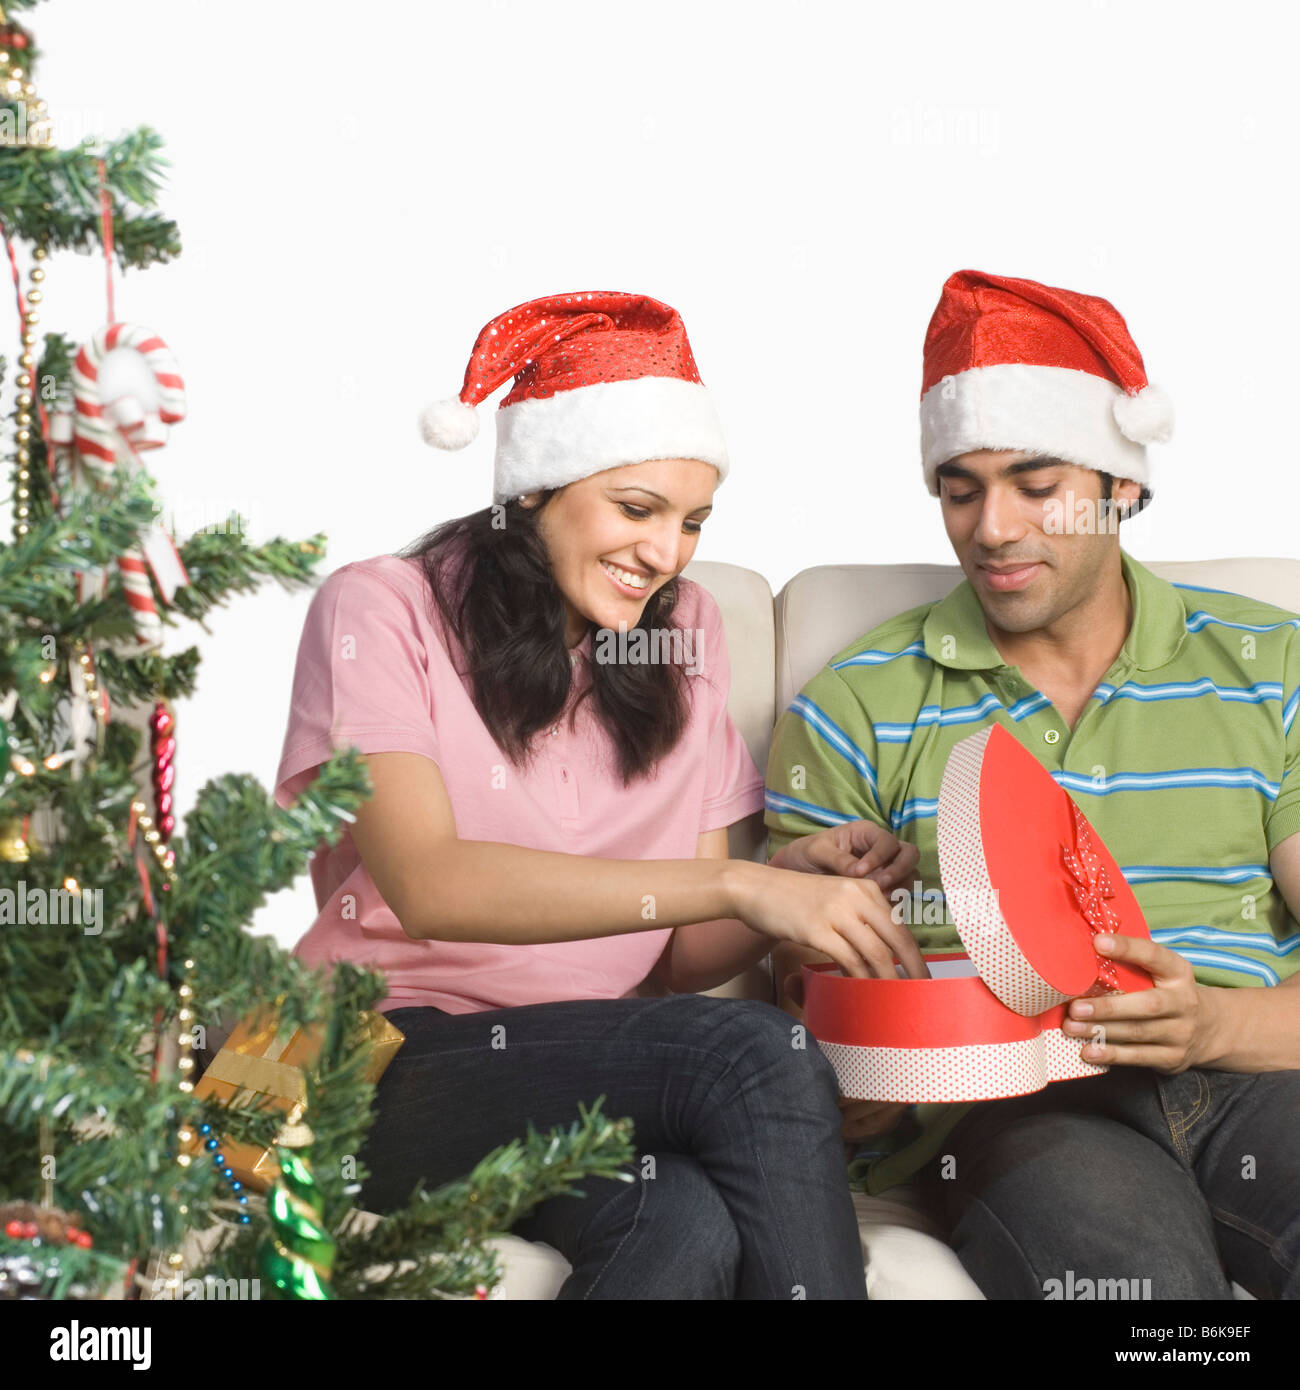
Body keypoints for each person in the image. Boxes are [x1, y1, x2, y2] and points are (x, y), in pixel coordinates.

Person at [272, 291, 924, 1301]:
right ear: (535, 488)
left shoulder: (684, 634)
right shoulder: (381, 607)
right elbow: (431, 881)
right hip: (363, 1058)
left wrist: (779, 875)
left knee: (683, 1222)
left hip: (569, 1071)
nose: (664, 551)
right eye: (635, 509)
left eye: (691, 521)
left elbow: (681, 955)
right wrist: (740, 888)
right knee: (755, 1053)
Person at [766, 269, 1300, 1300]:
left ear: (1122, 486)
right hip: (1023, 1107)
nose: (992, 527)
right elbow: (803, 993)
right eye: (959, 488)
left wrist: (1220, 1026)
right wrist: (849, 1024)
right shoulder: (859, 700)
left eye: (1034, 482)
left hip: (1259, 1071)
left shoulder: (1272, 667)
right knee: (1135, 1295)